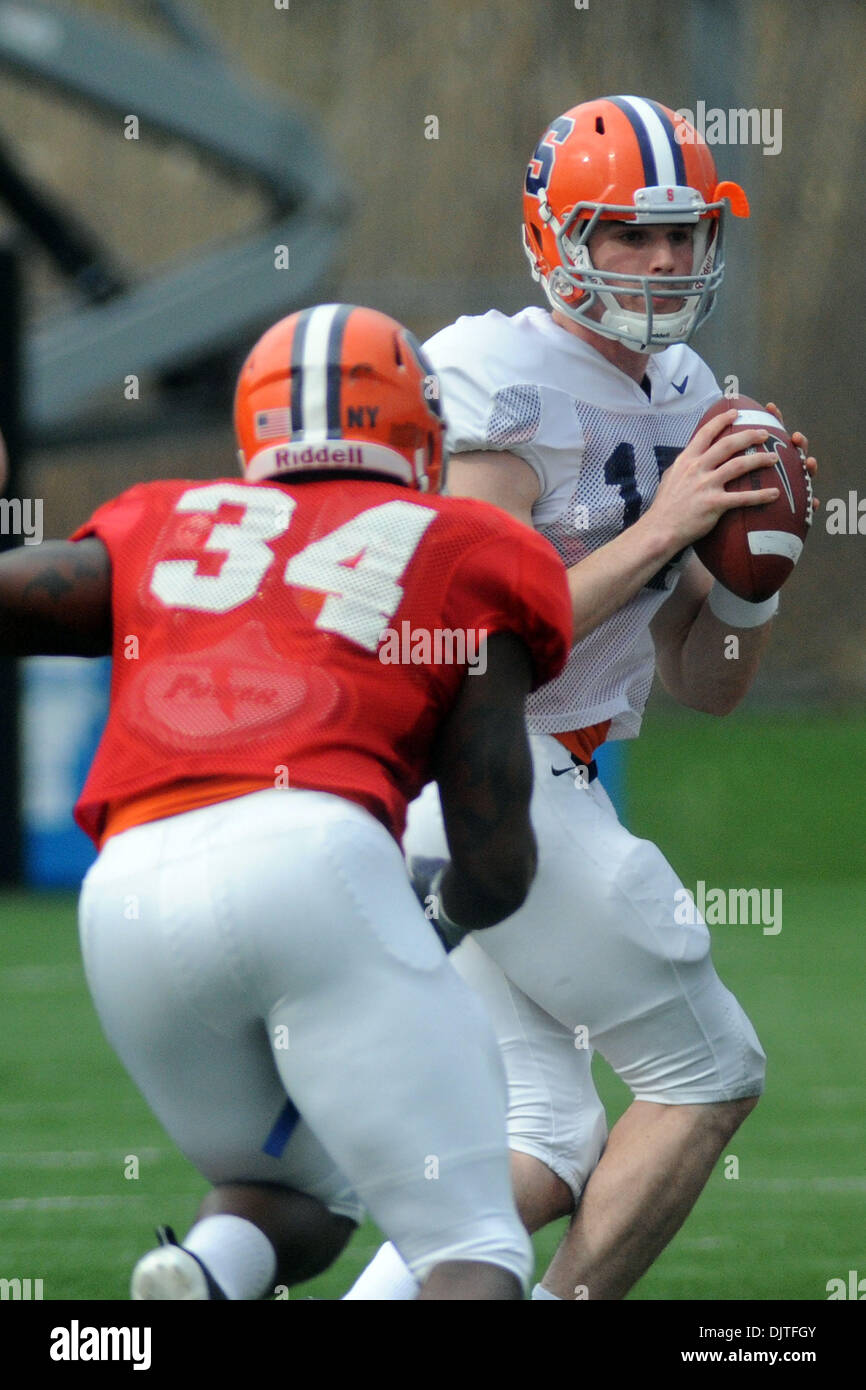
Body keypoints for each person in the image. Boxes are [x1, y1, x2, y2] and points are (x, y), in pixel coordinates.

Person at [0, 303, 576, 1300]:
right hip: (309, 856)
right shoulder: (474, 546)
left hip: (125, 892)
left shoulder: (167, 518)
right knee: (472, 1240)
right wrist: (433, 910)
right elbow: (496, 858)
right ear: (418, 430)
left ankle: (204, 1272)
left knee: (298, 1184)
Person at [343, 96, 818, 1301]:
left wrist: (755, 580)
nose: (661, 264)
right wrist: (667, 520)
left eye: (682, 235)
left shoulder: (686, 388)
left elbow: (696, 682)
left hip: (550, 779)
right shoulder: (493, 372)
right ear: (556, 237)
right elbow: (469, 630)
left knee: (548, 1140)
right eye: (625, 235)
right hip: (478, 763)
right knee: (709, 1071)